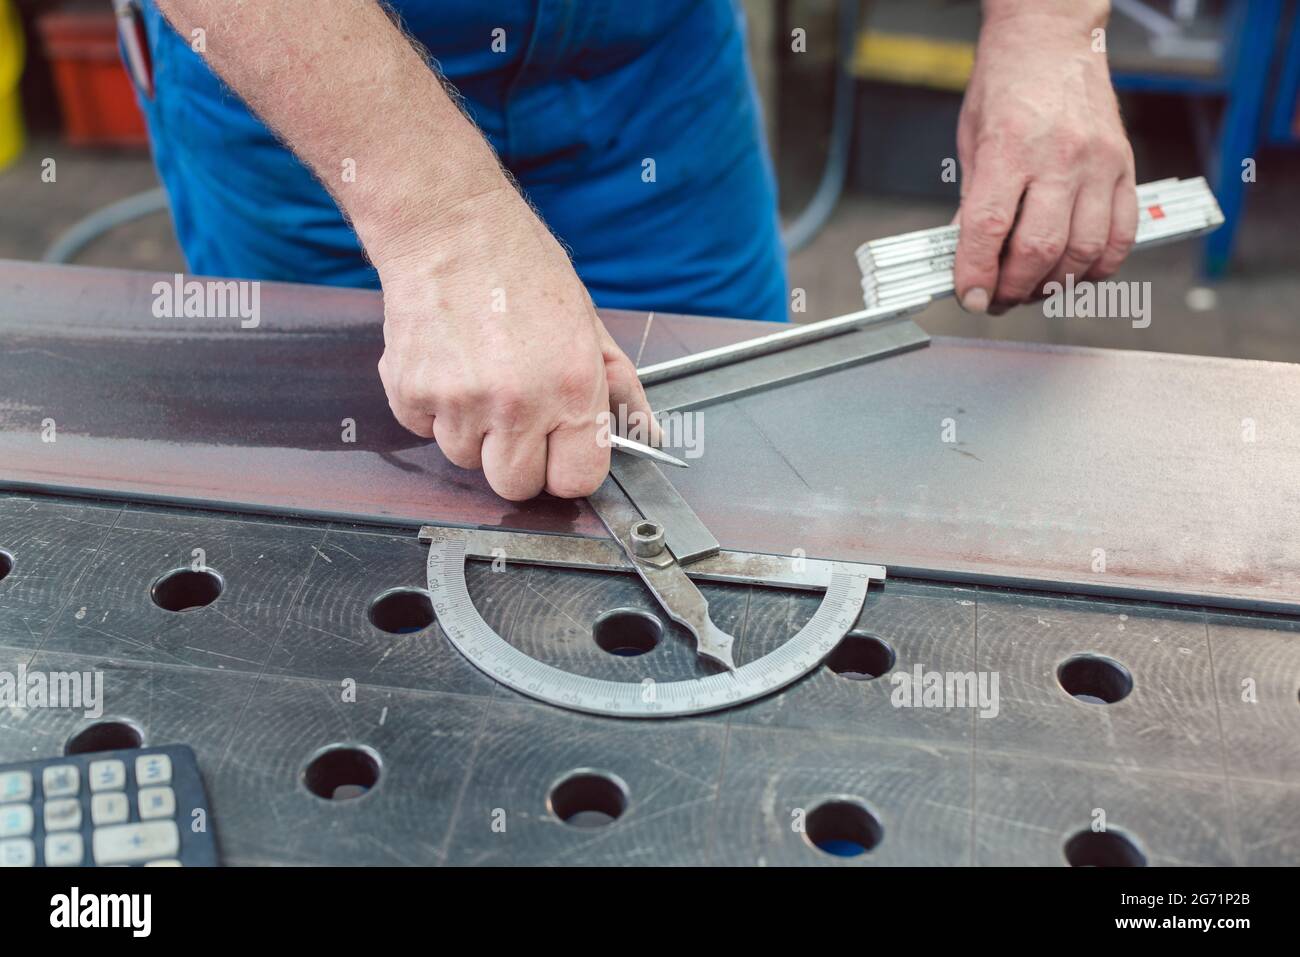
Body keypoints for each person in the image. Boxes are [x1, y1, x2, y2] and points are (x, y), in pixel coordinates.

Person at [136, 0, 1136, 500]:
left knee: (740, 471)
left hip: (646, 62)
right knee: (343, 537)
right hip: (310, 69)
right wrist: (439, 219)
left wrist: (1050, 28)